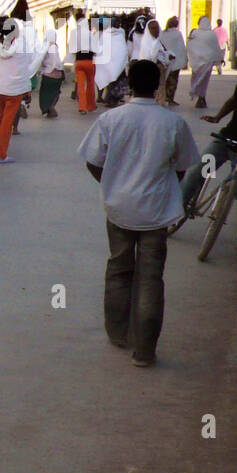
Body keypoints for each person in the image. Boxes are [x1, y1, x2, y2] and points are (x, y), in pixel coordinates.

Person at [77, 60, 199, 367]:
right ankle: (145, 350)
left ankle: (118, 333)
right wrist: (164, 186)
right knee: (150, 277)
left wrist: (112, 184)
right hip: (156, 212)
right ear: (157, 85)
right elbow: (184, 164)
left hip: (119, 208)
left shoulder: (112, 119)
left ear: (129, 83)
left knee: (119, 267)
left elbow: (93, 160)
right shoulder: (173, 123)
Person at [181, 42, 237, 255]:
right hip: (226, 139)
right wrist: (217, 117)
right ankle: (179, 207)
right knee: (201, 167)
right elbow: (234, 101)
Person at [0, 17, 39, 164]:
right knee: (7, 122)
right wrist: (27, 89)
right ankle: (0, 154)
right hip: (14, 90)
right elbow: (27, 68)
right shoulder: (22, 45)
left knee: (2, 118)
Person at [187, 15, 226, 109]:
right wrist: (220, 58)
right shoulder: (211, 34)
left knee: (196, 79)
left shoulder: (195, 33)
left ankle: (199, 96)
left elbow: (190, 44)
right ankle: (201, 97)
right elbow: (216, 48)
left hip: (197, 62)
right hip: (207, 62)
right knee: (204, 81)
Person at [97, 18, 130, 107]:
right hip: (116, 62)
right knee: (115, 81)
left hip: (111, 62)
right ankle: (111, 100)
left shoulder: (107, 33)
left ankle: (110, 100)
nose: (118, 24)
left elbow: (100, 48)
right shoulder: (119, 33)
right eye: (117, 22)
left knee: (112, 81)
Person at [71, 17, 98, 114]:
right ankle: (90, 105)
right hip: (90, 63)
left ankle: (82, 107)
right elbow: (96, 50)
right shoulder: (90, 34)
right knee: (90, 84)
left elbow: (72, 50)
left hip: (79, 62)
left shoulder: (75, 35)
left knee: (80, 85)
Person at [159, 16, 188, 107]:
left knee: (164, 80)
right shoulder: (178, 34)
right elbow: (181, 47)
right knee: (173, 80)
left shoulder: (163, 33)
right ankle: (170, 98)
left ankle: (163, 97)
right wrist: (184, 59)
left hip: (164, 59)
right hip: (175, 60)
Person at [38, 27, 65, 119]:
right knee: (54, 92)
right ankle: (51, 107)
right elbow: (57, 61)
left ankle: (47, 108)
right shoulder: (54, 46)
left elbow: (52, 61)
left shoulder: (46, 46)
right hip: (56, 74)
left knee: (45, 93)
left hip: (48, 73)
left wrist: (48, 68)